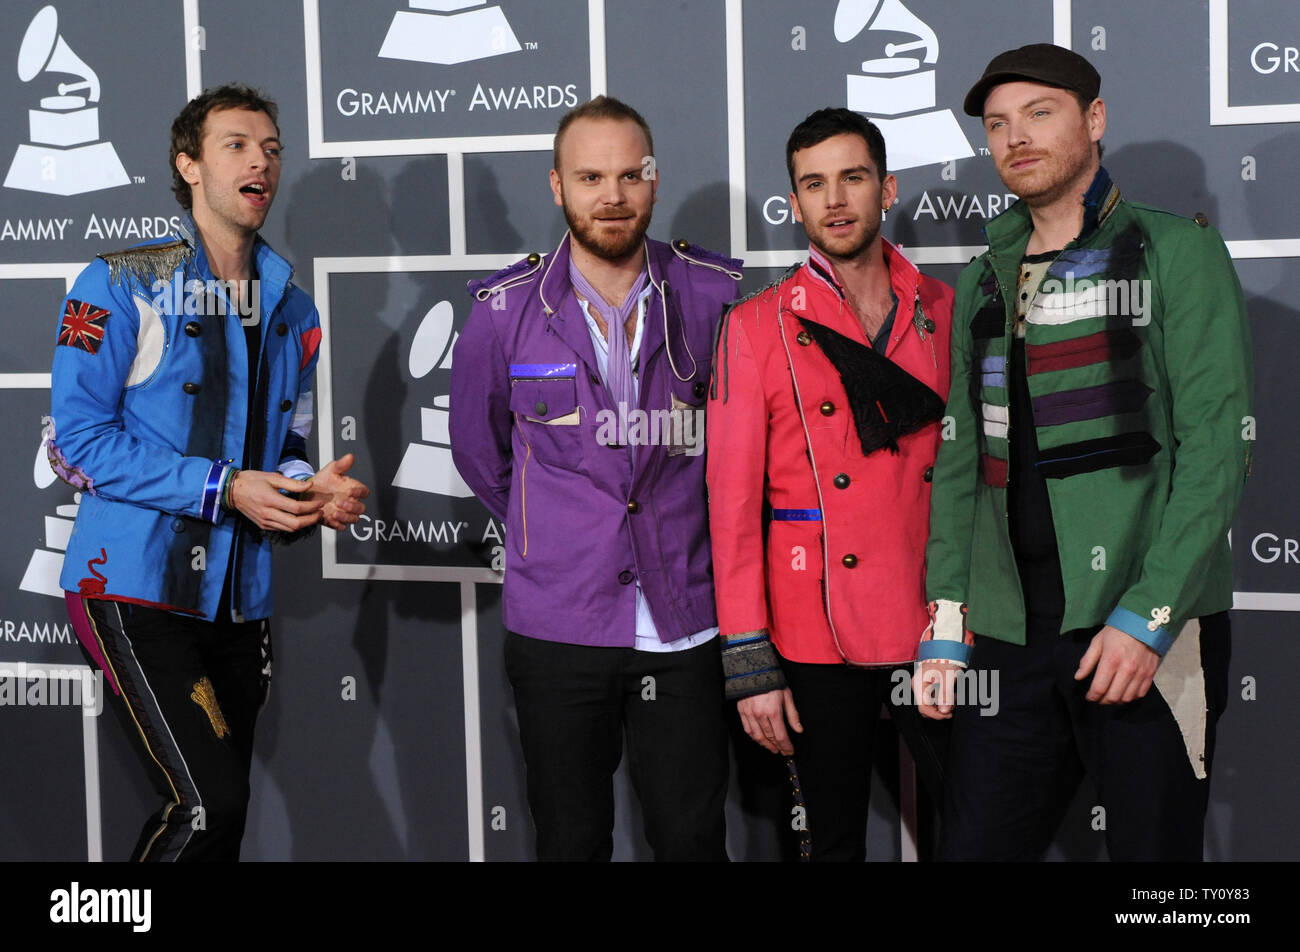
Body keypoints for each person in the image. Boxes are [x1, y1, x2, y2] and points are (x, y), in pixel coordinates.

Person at [918, 44, 1252, 861]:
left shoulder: (1178, 252)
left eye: (1039, 114)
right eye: (997, 125)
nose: (1015, 139)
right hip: (1008, 635)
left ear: (1093, 120)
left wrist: (1150, 618)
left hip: (1143, 627)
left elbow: (1216, 453)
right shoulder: (983, 281)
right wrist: (948, 614)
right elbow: (961, 462)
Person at [47, 84, 370, 861]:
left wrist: (305, 491)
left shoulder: (294, 311)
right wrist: (225, 487)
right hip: (128, 584)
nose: (260, 159)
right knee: (206, 807)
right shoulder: (119, 282)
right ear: (187, 164)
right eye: (236, 144)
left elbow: (287, 443)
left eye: (271, 147)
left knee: (223, 819)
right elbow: (78, 444)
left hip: (238, 599)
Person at [449, 96, 741, 861]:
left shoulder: (715, 297)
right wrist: (563, 526)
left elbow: (742, 455)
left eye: (627, 175)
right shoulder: (501, 310)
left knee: (691, 838)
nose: (610, 195)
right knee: (572, 839)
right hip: (559, 623)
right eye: (589, 177)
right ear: (557, 187)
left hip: (687, 619)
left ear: (653, 180)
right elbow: (482, 455)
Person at [707, 108, 953, 861]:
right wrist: (750, 661)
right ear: (796, 201)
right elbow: (733, 506)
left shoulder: (945, 310)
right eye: (814, 184)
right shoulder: (753, 327)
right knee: (829, 841)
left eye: (853, 177)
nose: (836, 199)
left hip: (935, 618)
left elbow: (977, 477)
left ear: (888, 187)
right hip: (813, 629)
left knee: (975, 831)